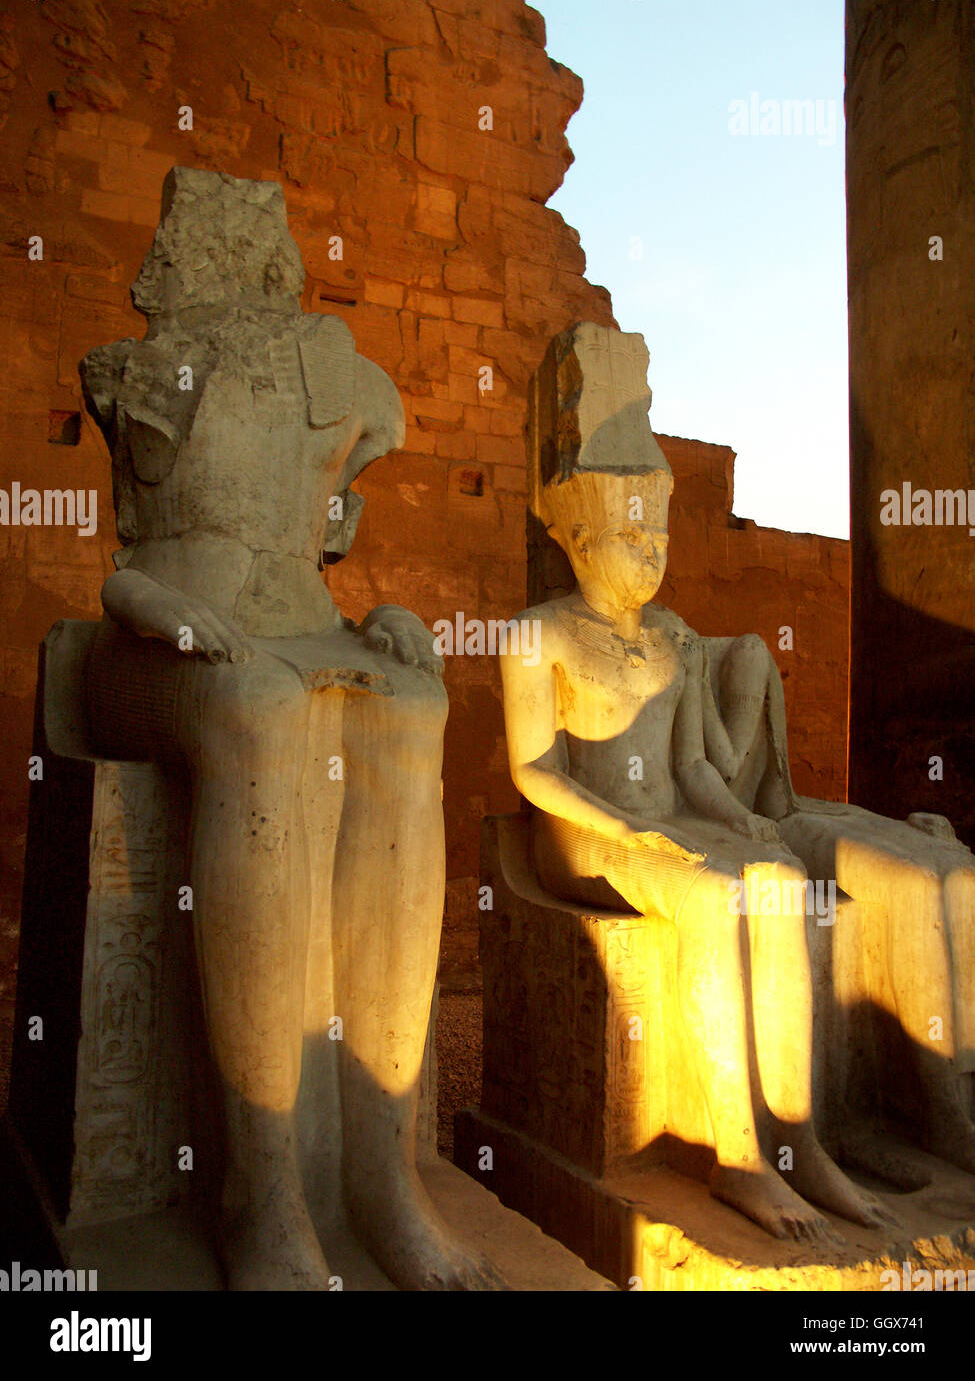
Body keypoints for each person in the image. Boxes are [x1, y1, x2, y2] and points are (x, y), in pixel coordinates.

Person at [80, 166, 501, 1290]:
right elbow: (127, 572)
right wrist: (154, 607)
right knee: (263, 712)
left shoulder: (333, 372)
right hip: (155, 643)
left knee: (411, 709)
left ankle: (382, 1174)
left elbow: (325, 559)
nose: (234, 245)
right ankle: (261, 1192)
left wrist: (386, 617)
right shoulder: (138, 368)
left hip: (301, 629)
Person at [500, 462, 891, 1241]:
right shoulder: (536, 632)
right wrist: (624, 831)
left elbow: (691, 769)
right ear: (580, 545)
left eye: (657, 536)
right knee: (714, 900)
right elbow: (532, 770)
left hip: (670, 824)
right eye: (628, 535)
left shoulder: (670, 636)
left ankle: (796, 1136)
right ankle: (738, 1156)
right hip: (582, 837)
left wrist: (738, 822)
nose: (648, 552)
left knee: (778, 880)